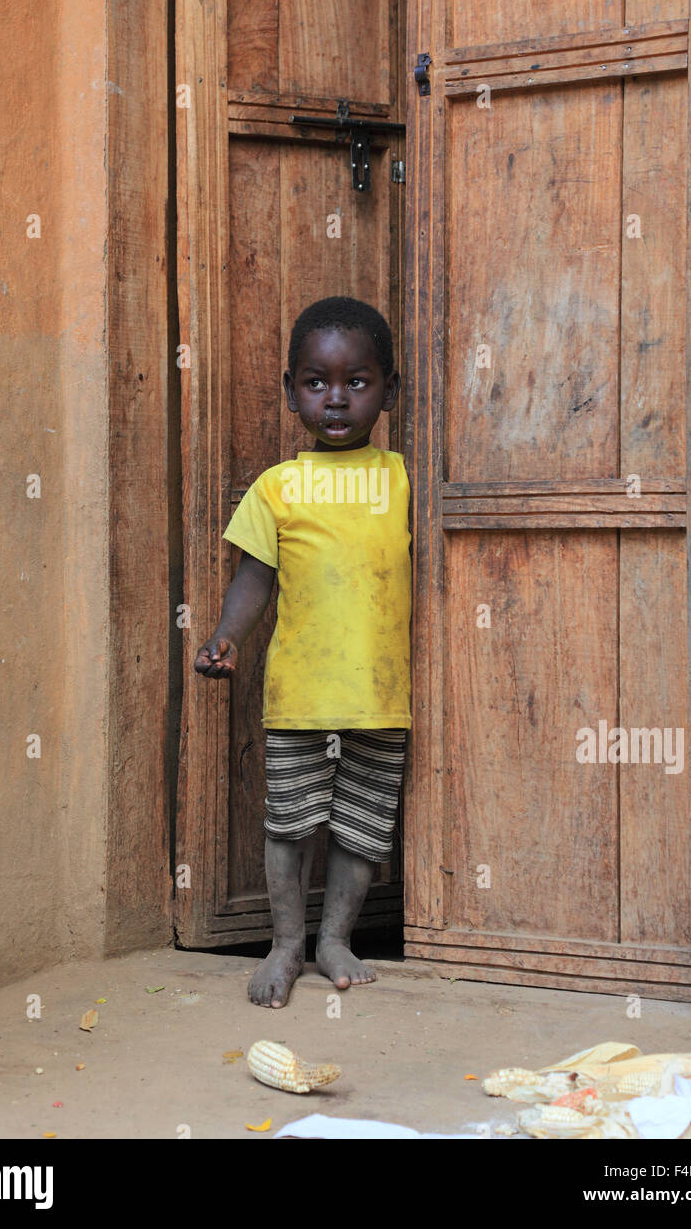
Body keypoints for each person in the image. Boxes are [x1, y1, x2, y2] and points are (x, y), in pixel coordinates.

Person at [194, 296, 412, 1008]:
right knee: (290, 825)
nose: (337, 399)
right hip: (299, 698)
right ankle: (286, 942)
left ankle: (335, 939)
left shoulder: (405, 481)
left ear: (389, 390)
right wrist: (226, 638)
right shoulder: (279, 487)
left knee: (361, 829)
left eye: (358, 382)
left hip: (381, 698)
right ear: (291, 392)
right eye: (316, 383)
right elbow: (253, 581)